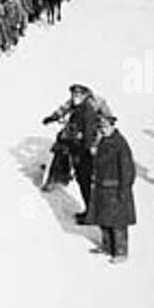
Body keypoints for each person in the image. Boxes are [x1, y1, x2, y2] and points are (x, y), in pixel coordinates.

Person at [42, 83, 100, 220]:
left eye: (79, 95)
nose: (75, 97)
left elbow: (89, 134)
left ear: (86, 95)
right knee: (62, 149)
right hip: (77, 146)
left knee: (86, 181)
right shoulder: (78, 105)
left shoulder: (89, 109)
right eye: (74, 94)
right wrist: (53, 117)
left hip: (84, 151)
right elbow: (64, 108)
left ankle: (92, 213)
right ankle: (57, 176)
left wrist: (85, 152)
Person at [89, 110, 136, 264]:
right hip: (103, 188)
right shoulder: (104, 140)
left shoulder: (119, 143)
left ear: (112, 125)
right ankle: (107, 247)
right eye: (100, 127)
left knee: (118, 223)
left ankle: (121, 252)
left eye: (105, 126)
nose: (102, 129)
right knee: (104, 220)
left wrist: (124, 190)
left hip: (116, 189)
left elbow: (128, 169)